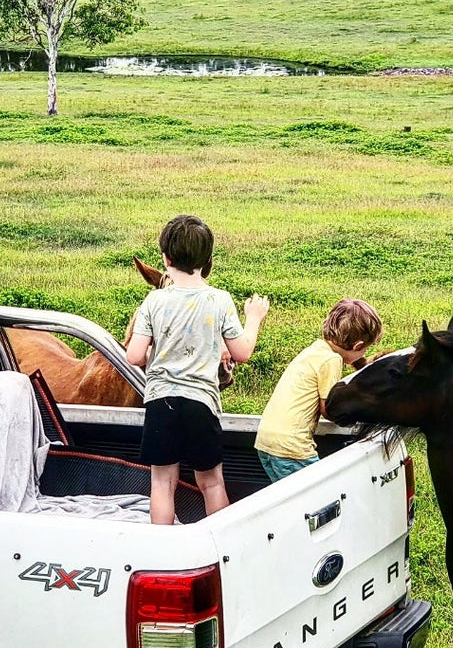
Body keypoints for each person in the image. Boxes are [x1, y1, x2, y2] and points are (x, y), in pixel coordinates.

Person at [126, 215, 269, 524]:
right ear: (209, 261)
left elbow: (134, 356)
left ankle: (162, 553)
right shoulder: (220, 300)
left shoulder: (153, 301)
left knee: (163, 484)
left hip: (161, 403)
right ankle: (220, 551)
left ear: (165, 258)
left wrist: (157, 349)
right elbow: (241, 353)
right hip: (201, 405)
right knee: (212, 482)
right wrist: (254, 318)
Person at [254, 299, 382, 482]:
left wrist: (365, 367)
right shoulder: (332, 360)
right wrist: (358, 415)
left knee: (292, 502)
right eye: (366, 349)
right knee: (320, 496)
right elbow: (329, 408)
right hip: (293, 448)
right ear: (358, 346)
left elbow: (353, 361)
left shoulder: (316, 350)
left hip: (267, 443)